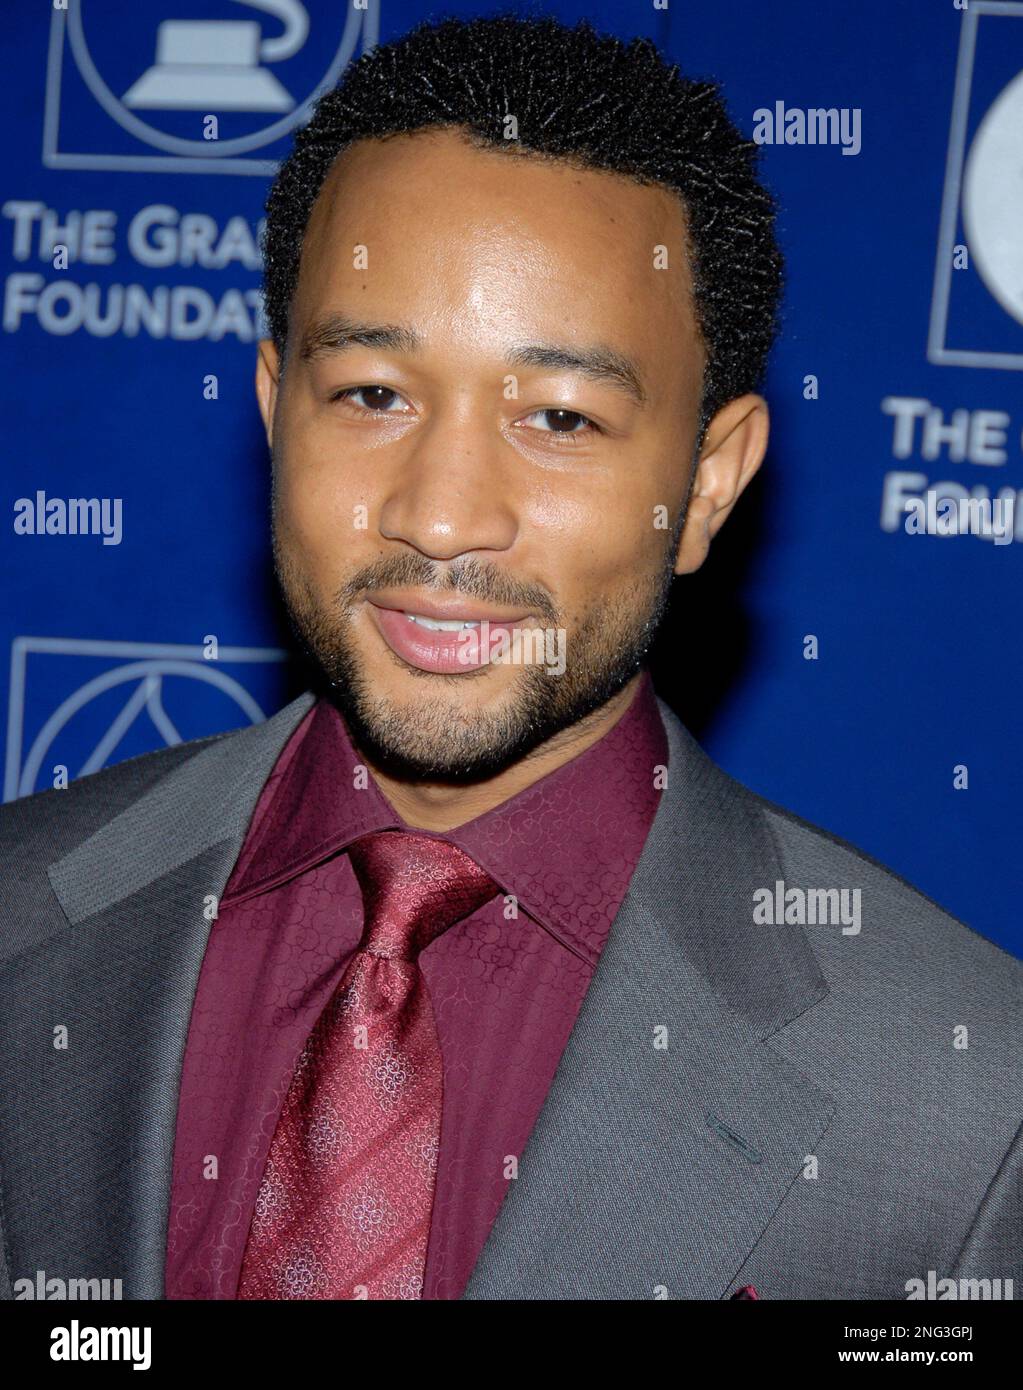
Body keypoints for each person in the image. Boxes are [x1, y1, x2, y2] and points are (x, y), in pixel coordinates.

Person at [1, 13, 1019, 1303]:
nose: (441, 512)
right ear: (272, 410)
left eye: (559, 417)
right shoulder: (20, 919)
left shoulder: (964, 1107)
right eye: (372, 392)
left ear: (707, 485)